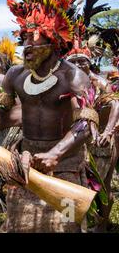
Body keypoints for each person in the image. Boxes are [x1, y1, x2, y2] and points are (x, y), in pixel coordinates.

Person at [66, 47, 119, 231]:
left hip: (101, 142)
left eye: (82, 61)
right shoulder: (67, 84)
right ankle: (80, 224)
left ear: (90, 63)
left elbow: (115, 103)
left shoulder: (99, 82)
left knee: (98, 186)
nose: (78, 65)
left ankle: (100, 226)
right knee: (74, 185)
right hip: (75, 139)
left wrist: (107, 132)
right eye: (73, 61)